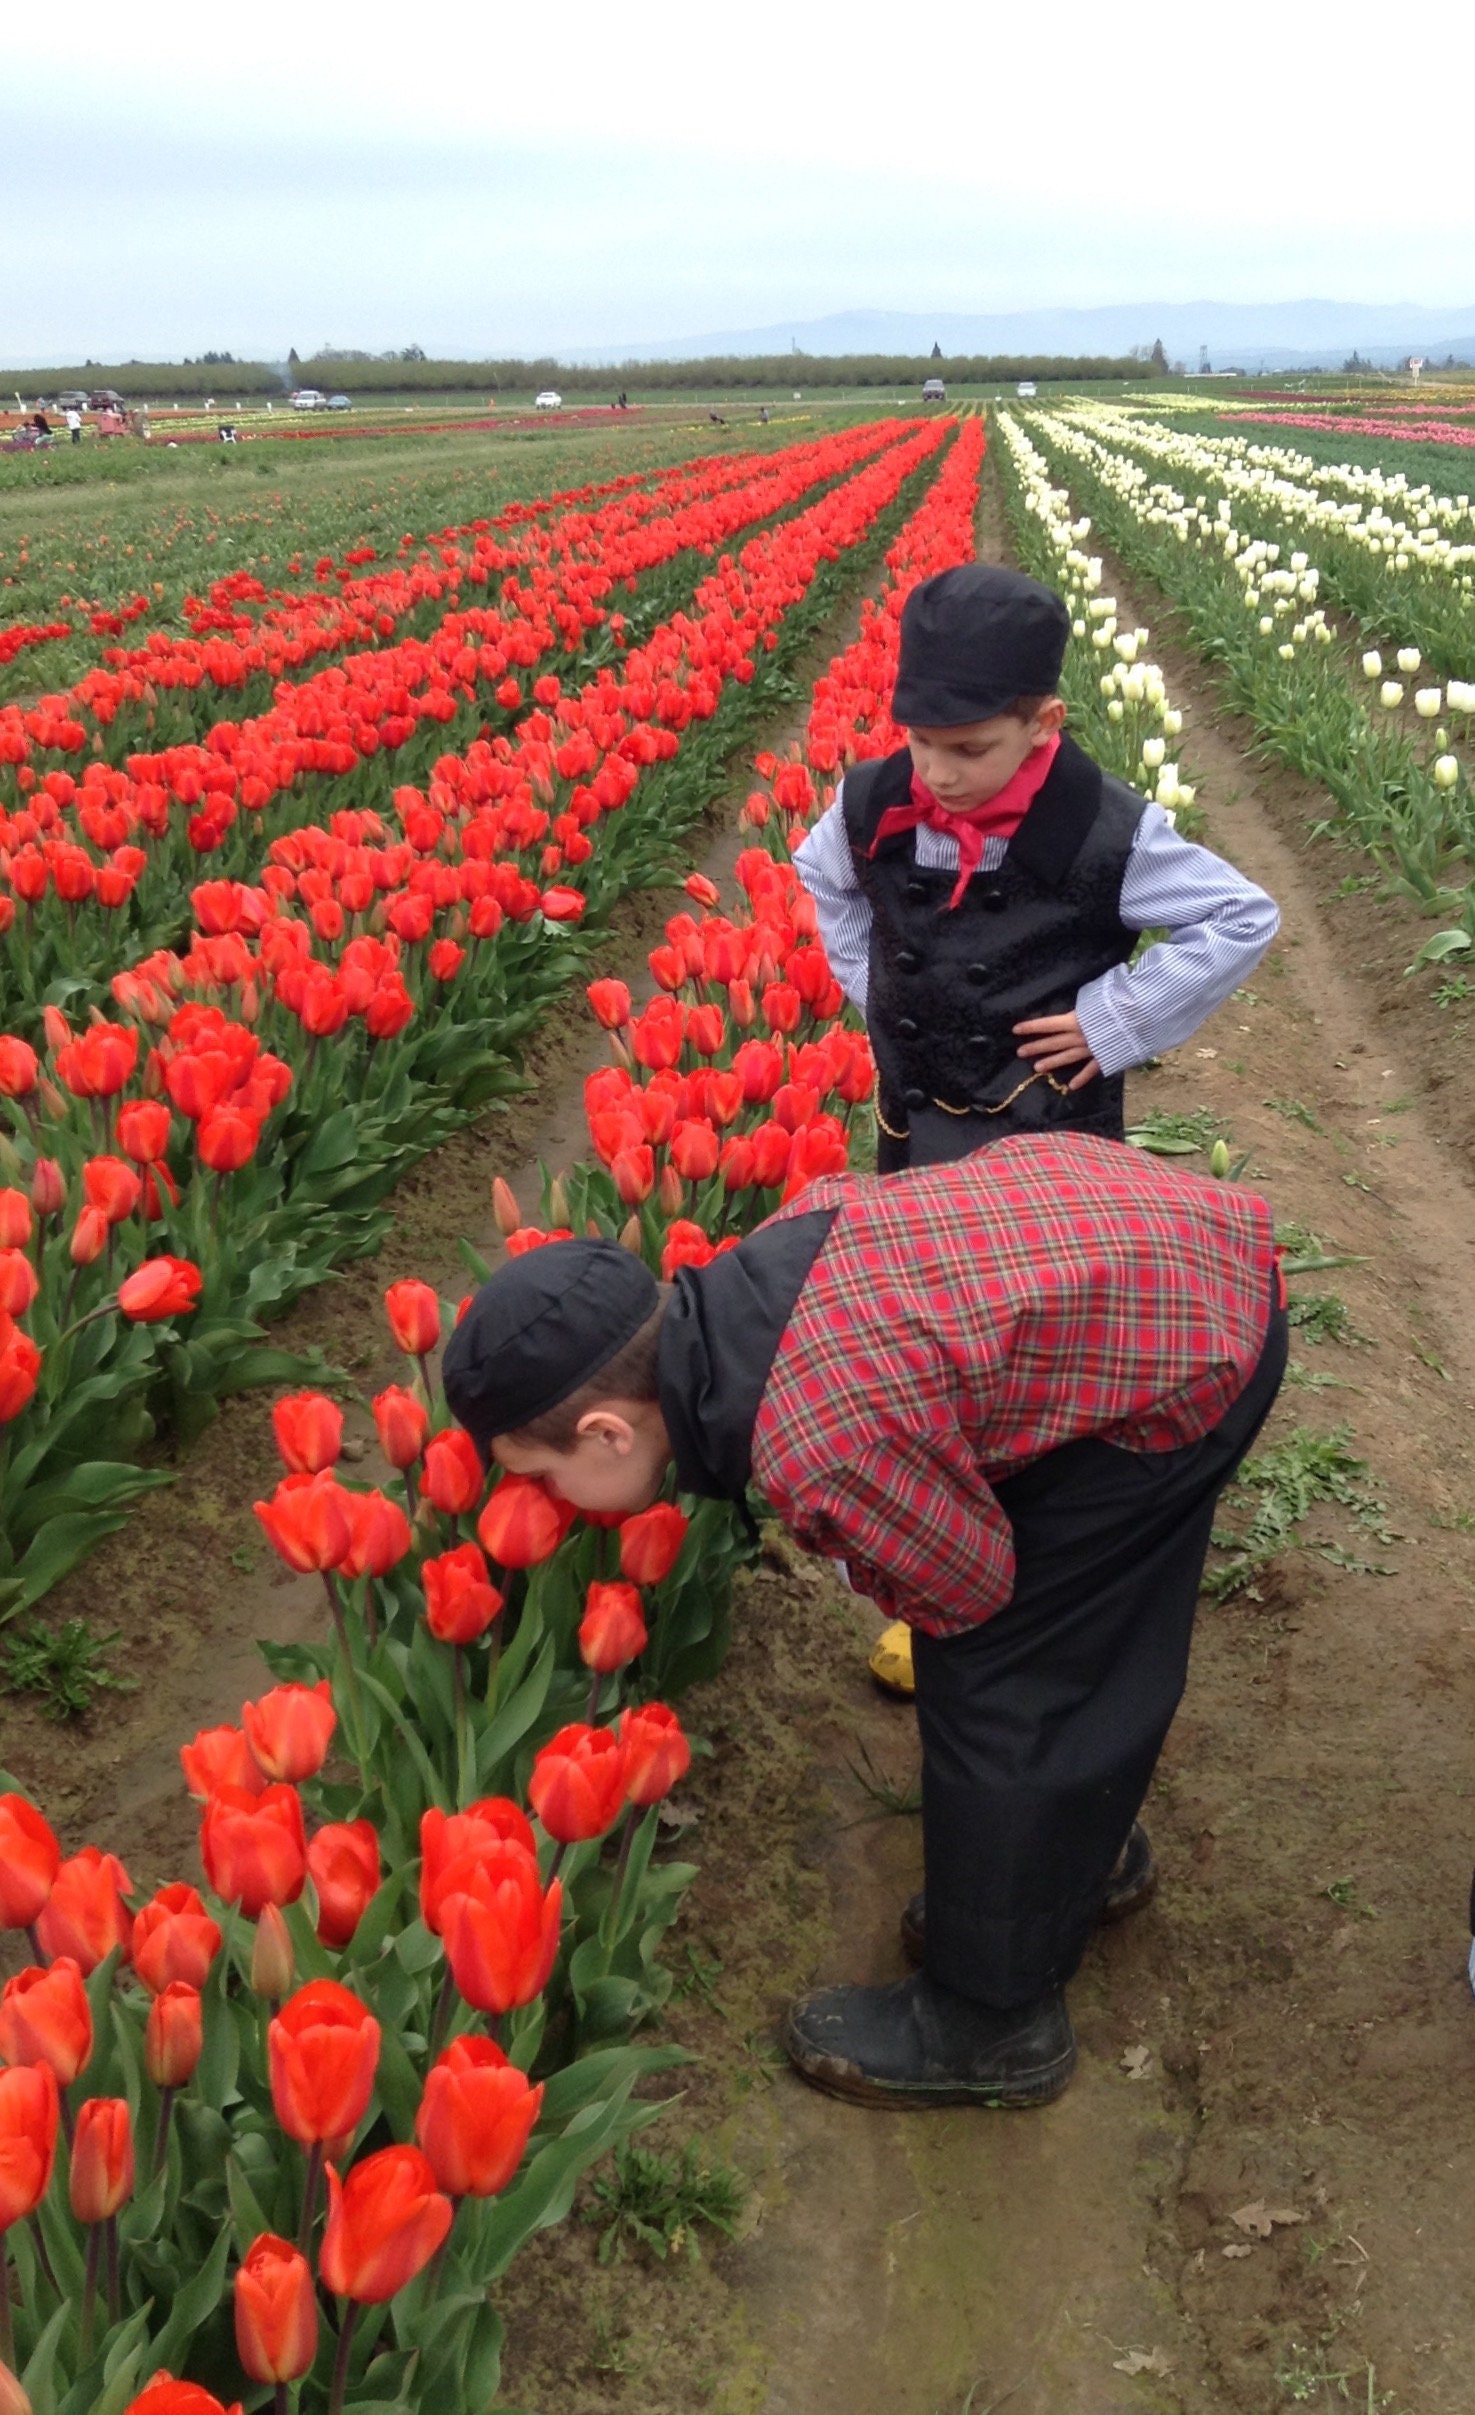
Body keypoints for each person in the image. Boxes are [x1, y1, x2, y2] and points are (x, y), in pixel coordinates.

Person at [442, 1136, 1287, 2109]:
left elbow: (971, 1588)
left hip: (1190, 1341)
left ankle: (990, 2020)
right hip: (1160, 1252)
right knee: (1072, 1640)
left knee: (1005, 1681)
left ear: (605, 1433)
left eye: (541, 1478)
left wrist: (876, 1562)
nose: (547, 1505)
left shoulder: (815, 1440)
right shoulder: (763, 1267)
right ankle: (1067, 1873)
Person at [793, 563, 1280, 1174]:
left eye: (970, 749)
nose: (939, 774)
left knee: (1040, 1269)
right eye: (920, 740)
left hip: (1050, 1128)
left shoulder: (1100, 829)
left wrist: (1116, 1017)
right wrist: (879, 988)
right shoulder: (872, 802)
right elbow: (826, 879)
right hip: (913, 1122)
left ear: (1043, 723)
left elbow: (1240, 915)